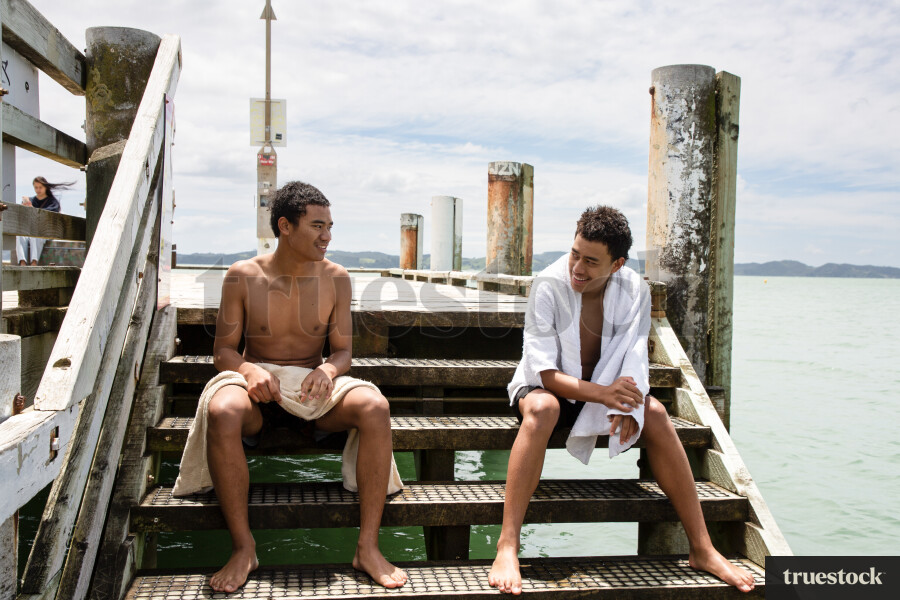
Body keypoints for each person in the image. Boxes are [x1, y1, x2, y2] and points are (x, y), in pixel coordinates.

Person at [488, 205, 757, 595]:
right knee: (543, 409)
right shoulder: (547, 285)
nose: (578, 267)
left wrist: (628, 403)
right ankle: (507, 544)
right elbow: (544, 372)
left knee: (660, 415)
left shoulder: (634, 290)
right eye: (575, 253)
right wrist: (606, 394)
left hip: (604, 390)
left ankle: (702, 548)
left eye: (591, 261)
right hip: (547, 390)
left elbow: (634, 356)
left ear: (617, 264)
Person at [194, 181, 408, 593]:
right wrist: (248, 371)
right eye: (317, 226)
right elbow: (222, 351)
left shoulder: (337, 278)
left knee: (375, 406)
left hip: (314, 392)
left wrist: (328, 371)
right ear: (285, 226)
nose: (327, 236)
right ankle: (243, 548)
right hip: (261, 394)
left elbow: (344, 353)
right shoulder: (242, 276)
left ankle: (367, 547)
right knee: (222, 409)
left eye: (330, 226)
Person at [16, 176, 71, 266]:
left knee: (35, 234)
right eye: (36, 187)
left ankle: (34, 262)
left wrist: (32, 208)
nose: (38, 190)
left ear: (46, 187)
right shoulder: (32, 200)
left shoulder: (53, 201)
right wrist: (24, 205)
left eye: (40, 187)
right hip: (30, 229)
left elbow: (50, 213)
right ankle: (22, 262)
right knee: (19, 235)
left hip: (46, 231)